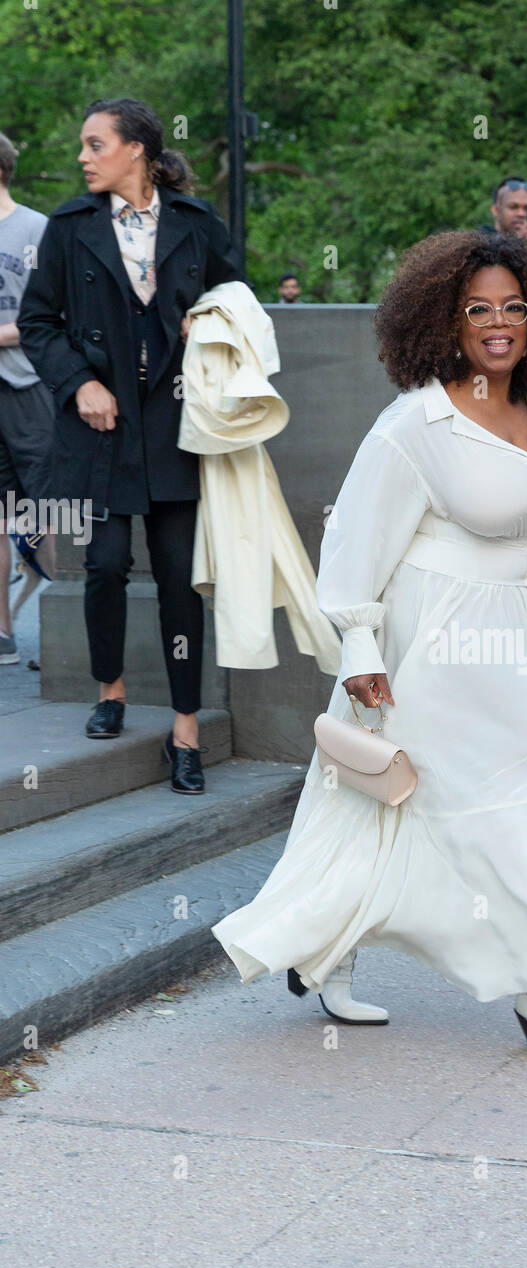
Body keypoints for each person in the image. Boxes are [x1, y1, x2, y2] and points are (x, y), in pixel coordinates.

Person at [212, 230, 527, 1064]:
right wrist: (359, 650)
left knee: (389, 810)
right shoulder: (412, 424)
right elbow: (353, 542)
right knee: (499, 814)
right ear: (444, 321)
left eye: (514, 308)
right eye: (478, 309)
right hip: (427, 642)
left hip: (504, 636)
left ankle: (323, 952)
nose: (499, 323)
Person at [18, 97, 246, 788]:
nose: (83, 157)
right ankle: (110, 689)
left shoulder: (197, 224)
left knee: (180, 574)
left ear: (136, 151)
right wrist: (79, 383)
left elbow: (239, 301)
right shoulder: (69, 225)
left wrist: (206, 324)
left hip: (176, 424)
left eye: (95, 144)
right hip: (100, 427)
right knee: (108, 563)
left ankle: (185, 731)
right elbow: (38, 321)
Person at [0, 130, 57, 665]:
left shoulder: (37, 229)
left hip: (30, 385)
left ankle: (59, 633)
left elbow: (50, 316)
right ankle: (4, 631)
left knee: (50, 509)